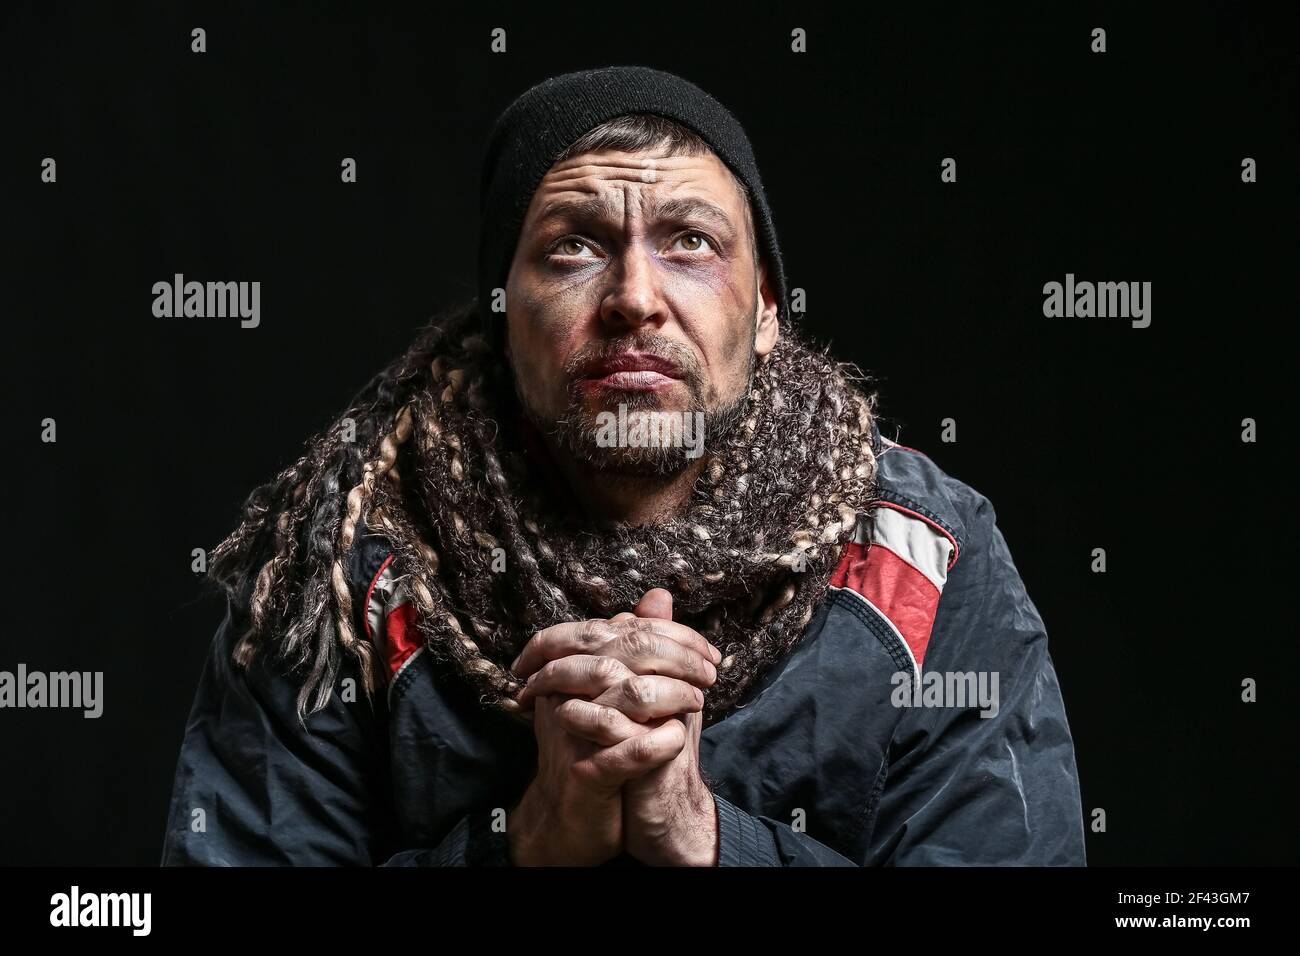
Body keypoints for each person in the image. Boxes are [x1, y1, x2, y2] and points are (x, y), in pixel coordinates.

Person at [161, 65, 1086, 866]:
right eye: (574, 245)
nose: (635, 298)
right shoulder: (339, 563)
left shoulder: (922, 554)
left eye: (691, 242)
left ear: (767, 307)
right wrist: (523, 842)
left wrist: (708, 839)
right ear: (500, 314)